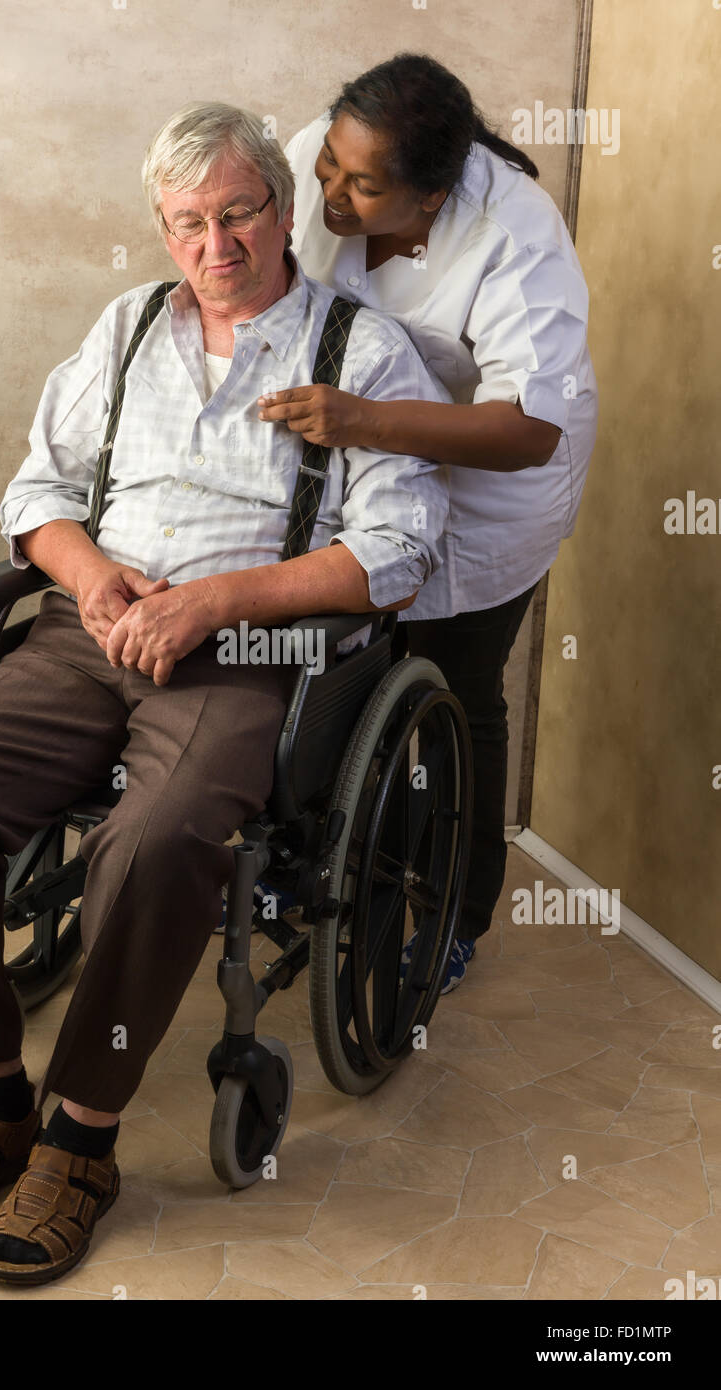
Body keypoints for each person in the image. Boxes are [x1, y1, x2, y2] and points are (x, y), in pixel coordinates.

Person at [0, 101, 450, 1287]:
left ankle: (81, 1141)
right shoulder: (128, 326)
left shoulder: (362, 352)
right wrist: (89, 578)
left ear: (281, 213)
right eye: (187, 222)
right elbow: (38, 489)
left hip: (252, 655)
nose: (214, 244)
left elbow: (401, 546)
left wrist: (219, 600)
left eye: (237, 213)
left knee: (162, 832)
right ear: (162, 229)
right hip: (100, 630)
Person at [260, 52, 598, 992]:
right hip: (364, 478)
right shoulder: (319, 165)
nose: (330, 191)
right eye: (330, 163)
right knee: (345, 681)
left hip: (491, 493)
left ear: (436, 194)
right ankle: (346, 874)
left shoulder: (514, 232)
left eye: (363, 186)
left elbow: (530, 428)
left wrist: (361, 418)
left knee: (453, 695)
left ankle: (451, 913)